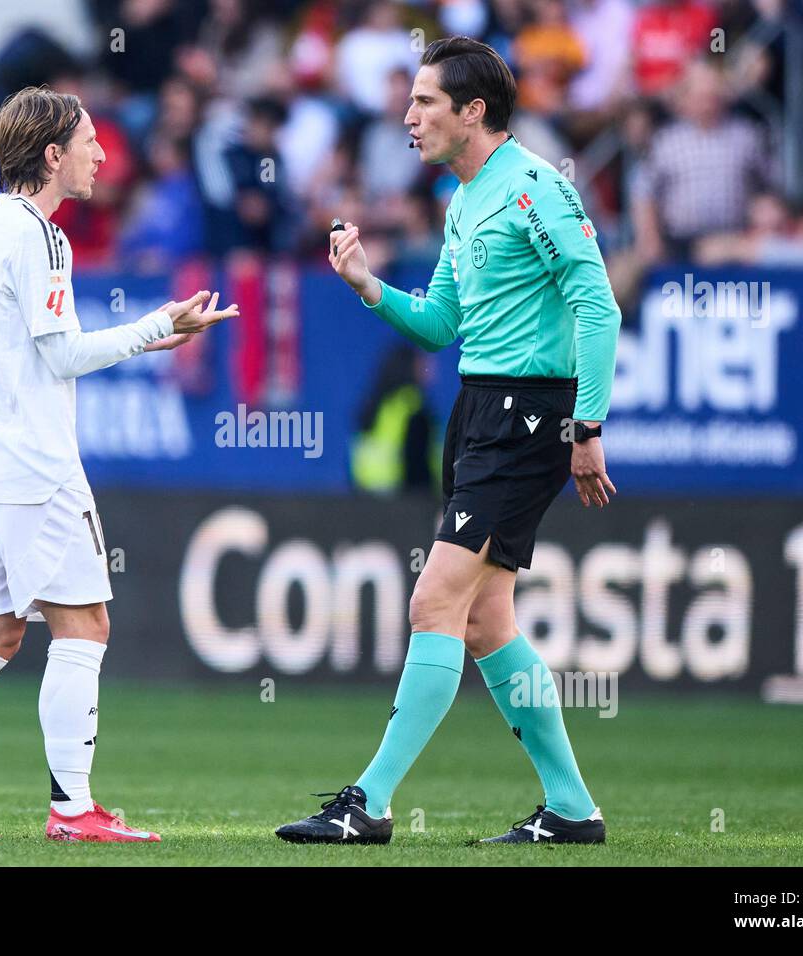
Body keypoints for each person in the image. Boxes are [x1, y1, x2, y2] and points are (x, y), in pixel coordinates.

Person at [275, 36, 620, 846]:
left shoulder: (537, 189)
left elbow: (597, 306)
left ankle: (370, 802)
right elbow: (441, 325)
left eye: (424, 101)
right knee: (486, 619)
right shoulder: (464, 199)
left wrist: (588, 427)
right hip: (478, 409)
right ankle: (572, 811)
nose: (408, 116)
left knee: (435, 601)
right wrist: (366, 286)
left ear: (474, 112)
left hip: (531, 416)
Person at [0, 86, 237, 843]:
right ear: (52, 155)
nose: (101, 153)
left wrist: (151, 337)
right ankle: (75, 811)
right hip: (30, 467)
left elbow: (36, 352)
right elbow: (62, 353)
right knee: (85, 626)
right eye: (87, 142)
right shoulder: (42, 236)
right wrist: (153, 327)